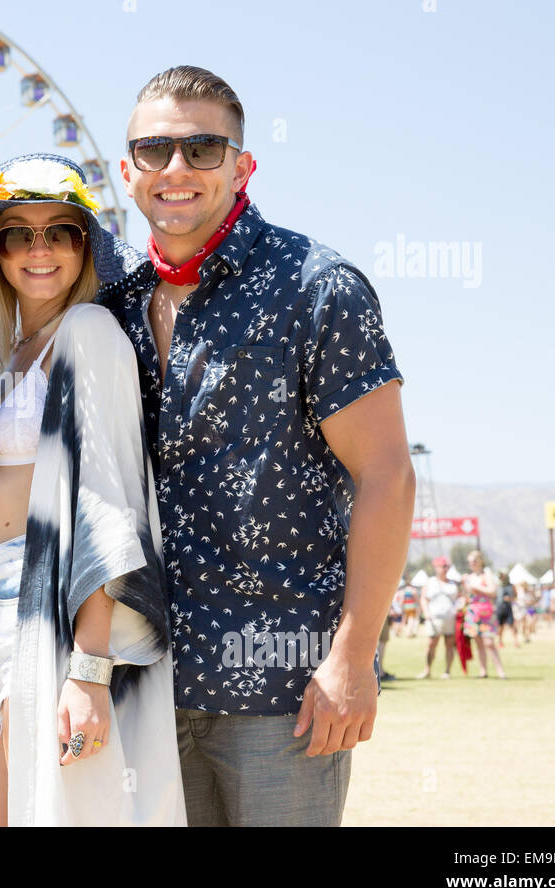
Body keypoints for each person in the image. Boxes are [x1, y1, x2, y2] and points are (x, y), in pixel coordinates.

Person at [96, 65, 415, 826]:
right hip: (146, 684)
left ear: (243, 166)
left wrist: (354, 657)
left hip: (285, 692)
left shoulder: (315, 286)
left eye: (203, 149)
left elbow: (388, 476)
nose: (177, 169)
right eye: (155, 151)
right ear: (127, 171)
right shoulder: (113, 309)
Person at [0, 154, 183, 826]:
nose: (38, 250)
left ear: (86, 248)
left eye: (61, 232)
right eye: (17, 233)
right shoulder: (8, 353)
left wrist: (89, 669)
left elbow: (107, 504)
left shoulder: (90, 334)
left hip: (43, 613)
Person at [463, 551, 506, 678]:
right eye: (470, 561)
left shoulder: (486, 575)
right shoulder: (469, 577)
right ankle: (483, 671)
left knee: (489, 642)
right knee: (478, 643)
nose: (472, 563)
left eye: (475, 560)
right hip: (473, 613)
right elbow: (467, 594)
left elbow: (493, 591)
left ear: (481, 561)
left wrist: (477, 589)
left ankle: (500, 671)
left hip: (486, 613)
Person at [418, 557, 460, 679]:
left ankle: (447, 671)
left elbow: (460, 598)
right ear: (436, 567)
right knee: (432, 644)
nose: (445, 569)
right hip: (434, 618)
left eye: (447, 566)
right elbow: (423, 598)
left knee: (449, 644)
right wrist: (426, 612)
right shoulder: (430, 582)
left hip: (450, 618)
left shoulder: (453, 584)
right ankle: (427, 670)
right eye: (443, 566)